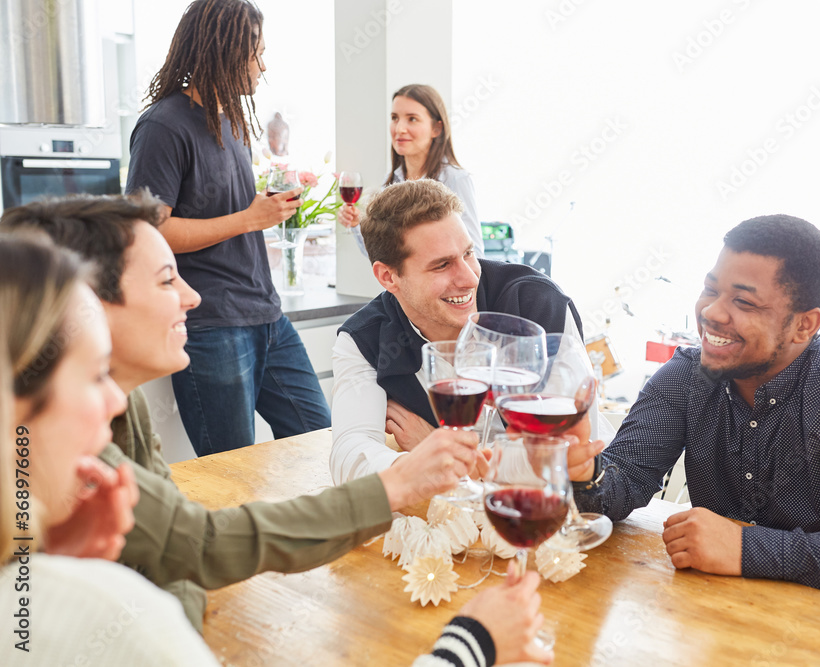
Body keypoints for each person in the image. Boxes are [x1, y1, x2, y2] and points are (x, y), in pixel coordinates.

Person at [0, 229, 552, 666]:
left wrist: (103, 567)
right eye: (95, 375)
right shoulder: (83, 611)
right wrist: (475, 642)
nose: (193, 296)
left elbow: (188, 552)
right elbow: (200, 547)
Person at [570, 214, 820, 597]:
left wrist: (748, 549)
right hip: (718, 623)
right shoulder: (686, 375)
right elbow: (622, 485)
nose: (711, 313)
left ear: (805, 324)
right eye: (711, 290)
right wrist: (584, 472)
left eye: (744, 302)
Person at [0, 234, 220, 665]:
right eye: (97, 374)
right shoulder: (113, 618)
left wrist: (57, 562)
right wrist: (81, 584)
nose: (116, 401)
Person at [125, 0, 330, 456]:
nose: (262, 66)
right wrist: (248, 218)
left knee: (321, 440)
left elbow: (225, 210)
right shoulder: (163, 126)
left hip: (267, 315)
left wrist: (264, 211)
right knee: (234, 472)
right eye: (254, 53)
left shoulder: (232, 122)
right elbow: (147, 233)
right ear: (222, 52)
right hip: (211, 324)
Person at [330, 179, 600, 485]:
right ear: (388, 277)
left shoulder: (535, 303)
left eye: (468, 253)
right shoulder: (363, 338)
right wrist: (437, 466)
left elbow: (571, 451)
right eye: (442, 265)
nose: (469, 278)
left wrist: (437, 453)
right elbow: (350, 456)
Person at [338, 83, 485, 259]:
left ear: (436, 129)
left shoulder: (456, 179)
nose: (399, 128)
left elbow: (476, 257)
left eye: (412, 119)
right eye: (394, 118)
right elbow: (383, 256)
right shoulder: (392, 181)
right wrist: (356, 225)